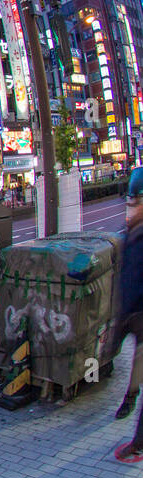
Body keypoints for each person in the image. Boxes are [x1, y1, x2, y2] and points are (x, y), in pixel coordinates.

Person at [112, 169, 143, 455]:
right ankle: (129, 397)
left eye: (135, 201)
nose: (131, 206)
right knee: (110, 350)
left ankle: (138, 442)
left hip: (139, 315)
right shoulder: (131, 229)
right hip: (129, 313)